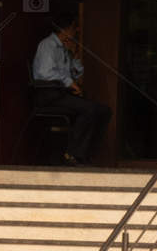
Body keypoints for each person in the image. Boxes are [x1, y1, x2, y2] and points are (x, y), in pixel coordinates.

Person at [31, 10, 112, 165]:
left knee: (104, 111)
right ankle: (73, 154)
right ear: (66, 29)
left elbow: (76, 73)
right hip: (49, 94)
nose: (77, 31)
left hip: (63, 94)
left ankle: (86, 154)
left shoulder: (64, 47)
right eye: (75, 27)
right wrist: (69, 82)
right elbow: (45, 72)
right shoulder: (48, 45)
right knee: (89, 109)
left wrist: (73, 55)